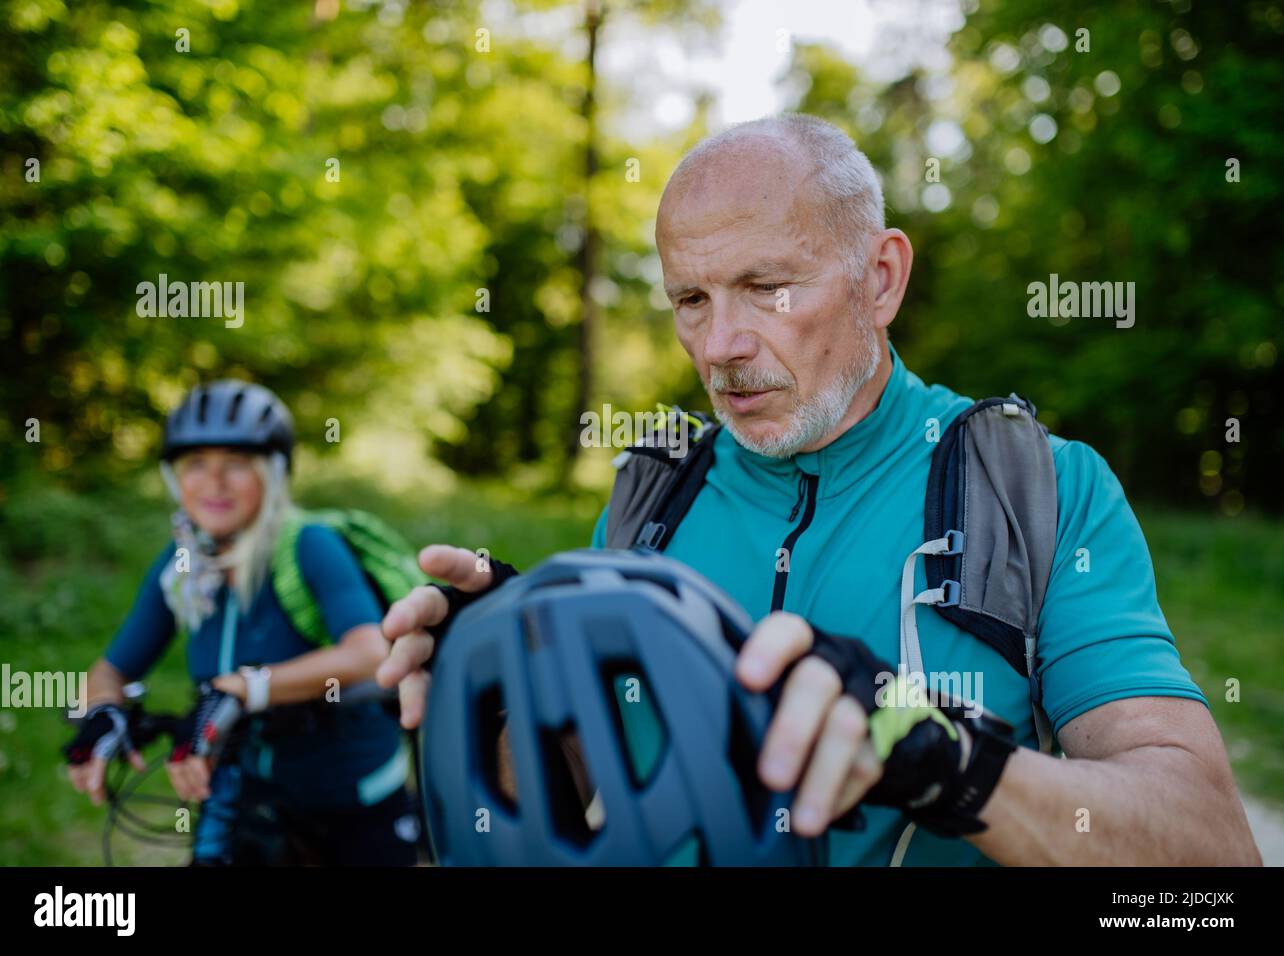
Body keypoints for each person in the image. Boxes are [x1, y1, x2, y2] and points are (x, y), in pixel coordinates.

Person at [378, 114, 1261, 865]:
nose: (721, 344)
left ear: (880, 278)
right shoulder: (655, 495)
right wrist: (507, 679)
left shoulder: (1036, 486)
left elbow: (1208, 844)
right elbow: (595, 796)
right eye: (691, 298)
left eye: (768, 289)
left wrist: (935, 755)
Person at [64, 381, 419, 866]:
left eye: (235, 463)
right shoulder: (184, 564)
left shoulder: (307, 544)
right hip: (242, 795)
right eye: (195, 465)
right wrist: (102, 714)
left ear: (271, 474)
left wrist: (242, 689)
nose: (214, 483)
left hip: (350, 798)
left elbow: (369, 651)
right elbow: (111, 670)